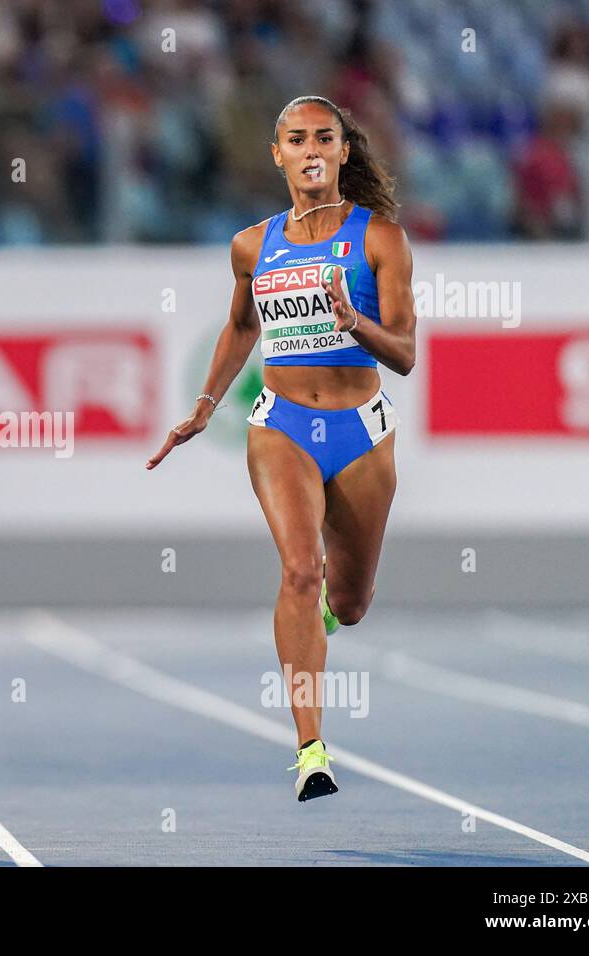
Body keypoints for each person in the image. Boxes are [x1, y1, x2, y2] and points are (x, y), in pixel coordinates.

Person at [147, 95, 416, 801]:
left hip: (361, 432)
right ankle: (310, 749)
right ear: (278, 154)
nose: (310, 150)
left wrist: (354, 322)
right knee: (300, 569)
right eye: (296, 139)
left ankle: (327, 611)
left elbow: (405, 354)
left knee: (350, 602)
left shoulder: (380, 240)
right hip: (282, 426)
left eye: (324, 138)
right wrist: (205, 405)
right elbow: (241, 327)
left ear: (343, 151)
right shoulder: (251, 245)